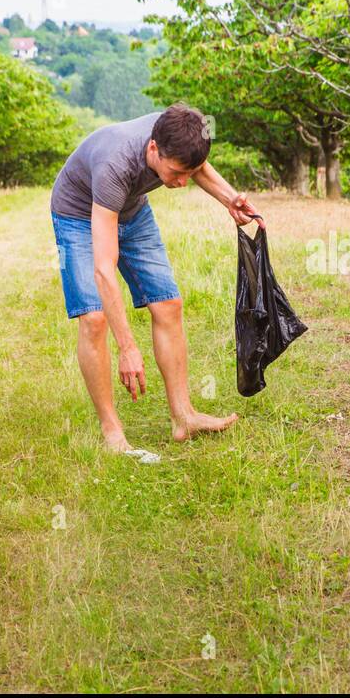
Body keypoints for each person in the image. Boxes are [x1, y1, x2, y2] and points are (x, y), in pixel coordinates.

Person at [49, 103, 261, 457]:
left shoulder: (177, 131)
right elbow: (104, 268)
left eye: (187, 172)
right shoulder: (115, 164)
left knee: (168, 303)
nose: (181, 182)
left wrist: (229, 200)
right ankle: (112, 431)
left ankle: (184, 418)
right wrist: (128, 348)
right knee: (94, 318)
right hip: (78, 215)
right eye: (177, 173)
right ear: (152, 150)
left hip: (132, 210)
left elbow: (198, 165)